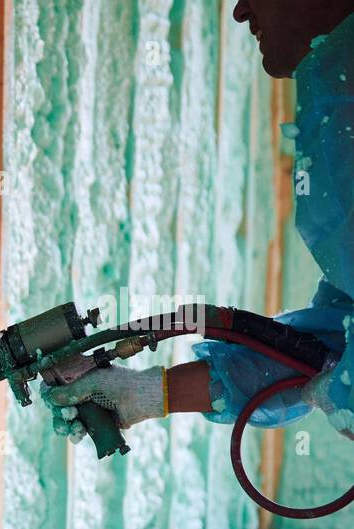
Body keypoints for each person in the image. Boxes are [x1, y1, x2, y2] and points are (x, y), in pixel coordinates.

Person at [47, 0, 354, 443]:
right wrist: (146, 393)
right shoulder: (334, 86)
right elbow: (324, 346)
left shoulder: (344, 91)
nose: (240, 12)